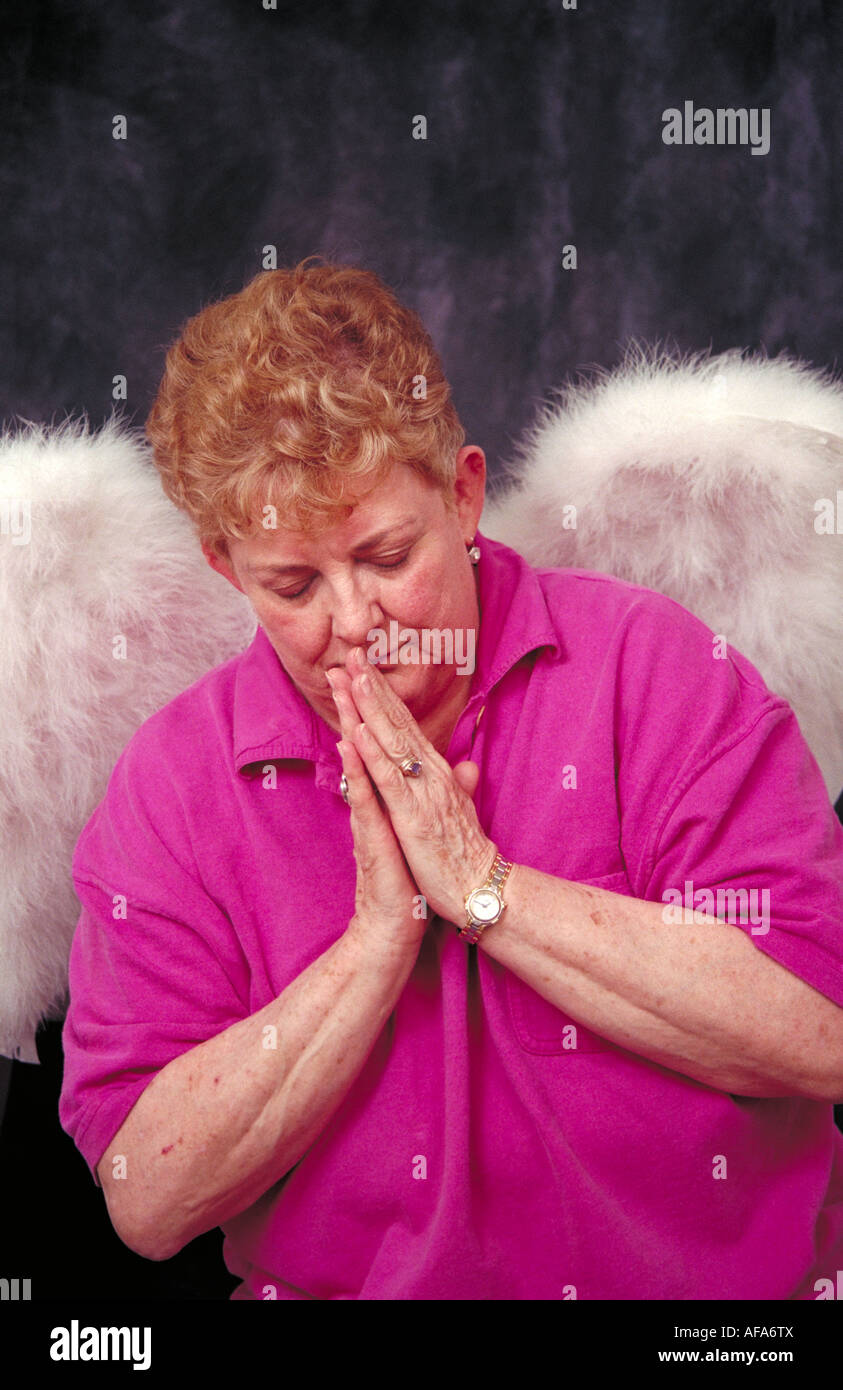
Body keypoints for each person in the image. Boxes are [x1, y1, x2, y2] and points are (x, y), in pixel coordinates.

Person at [59, 256, 843, 1301]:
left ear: (465, 494)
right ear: (224, 566)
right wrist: (375, 943)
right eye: (292, 583)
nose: (353, 621)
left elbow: (821, 1028)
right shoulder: (168, 787)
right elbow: (144, 1201)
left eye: (386, 556)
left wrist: (486, 889)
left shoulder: (655, 667)